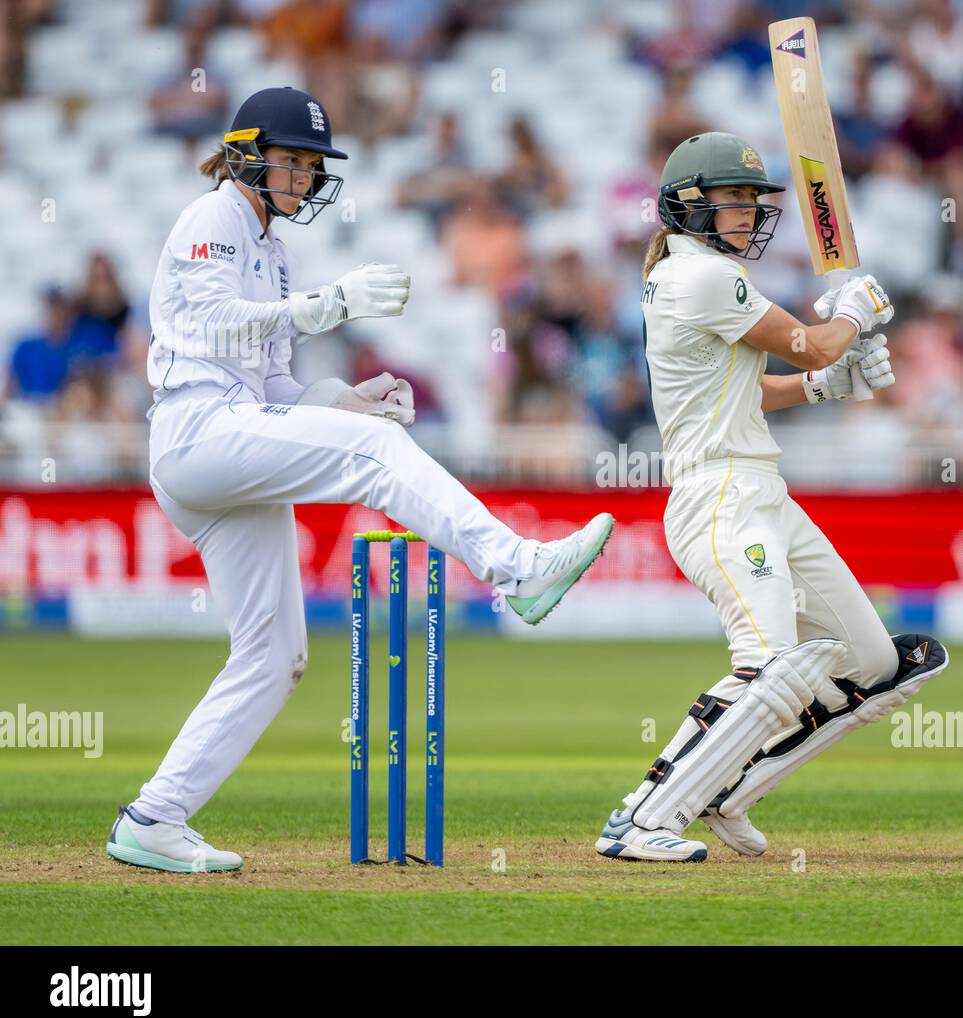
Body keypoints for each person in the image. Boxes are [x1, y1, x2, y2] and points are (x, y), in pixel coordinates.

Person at [107, 87, 613, 874]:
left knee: (275, 656)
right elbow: (206, 328)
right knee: (373, 462)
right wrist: (327, 307)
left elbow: (272, 388)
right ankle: (519, 569)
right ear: (248, 154)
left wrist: (348, 402)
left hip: (231, 434)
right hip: (195, 430)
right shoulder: (214, 217)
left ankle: (154, 818)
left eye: (315, 167)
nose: (306, 179)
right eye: (295, 162)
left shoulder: (273, 250)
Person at [594, 132, 949, 863]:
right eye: (734, 201)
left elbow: (749, 390)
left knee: (878, 667)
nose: (750, 215)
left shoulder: (704, 279)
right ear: (687, 205)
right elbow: (814, 343)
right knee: (773, 664)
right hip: (720, 494)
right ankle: (643, 817)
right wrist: (854, 312)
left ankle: (729, 790)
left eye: (756, 202)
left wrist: (830, 384)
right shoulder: (699, 277)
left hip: (759, 488)